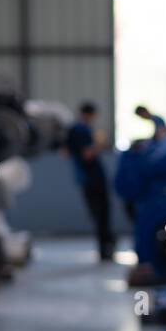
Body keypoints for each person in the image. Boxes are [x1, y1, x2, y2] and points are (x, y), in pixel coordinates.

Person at [65, 101, 115, 261]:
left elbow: (65, 152)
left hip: (85, 178)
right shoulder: (82, 130)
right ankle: (105, 249)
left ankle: (105, 247)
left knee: (97, 214)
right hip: (93, 178)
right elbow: (87, 154)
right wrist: (98, 144)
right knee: (102, 214)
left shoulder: (74, 130)